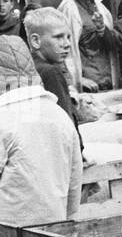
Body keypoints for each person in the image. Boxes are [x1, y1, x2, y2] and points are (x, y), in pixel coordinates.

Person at [0, 70, 82, 226]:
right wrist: (67, 216)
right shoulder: (59, 114)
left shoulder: (3, 118)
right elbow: (75, 177)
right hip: (54, 224)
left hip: (8, 229)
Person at [24, 8, 83, 143]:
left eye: (68, 37)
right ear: (35, 41)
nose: (67, 44)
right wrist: (79, 153)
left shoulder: (27, 68)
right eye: (58, 37)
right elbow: (65, 120)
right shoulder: (51, 72)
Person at [59, 0, 119, 92]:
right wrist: (77, 79)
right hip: (87, 83)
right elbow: (61, 51)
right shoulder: (68, 9)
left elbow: (112, 43)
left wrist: (102, 29)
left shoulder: (100, 5)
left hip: (108, 77)